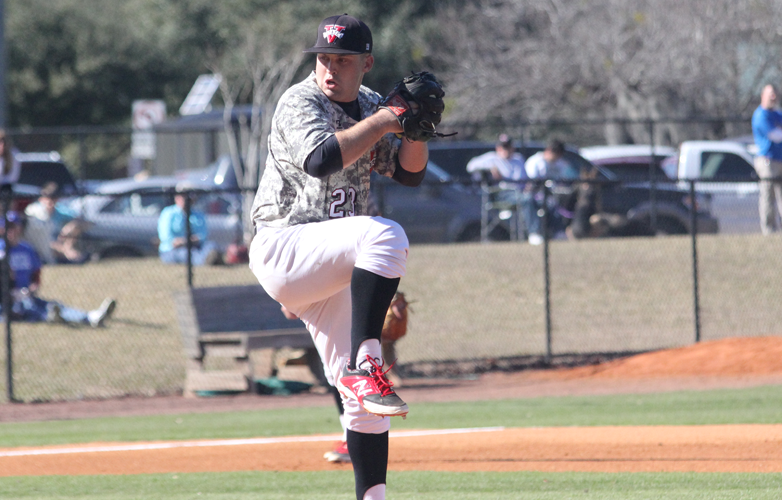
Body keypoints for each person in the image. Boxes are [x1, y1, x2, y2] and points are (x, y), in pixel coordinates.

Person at [249, 14, 436, 500]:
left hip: (330, 267)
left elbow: (409, 174)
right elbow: (320, 159)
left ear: (366, 64)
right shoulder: (300, 100)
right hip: (284, 244)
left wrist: (416, 128)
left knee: (365, 408)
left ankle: (373, 494)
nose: (330, 68)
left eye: (343, 60)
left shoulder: (372, 104)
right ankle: (365, 362)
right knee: (387, 236)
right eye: (324, 58)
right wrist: (384, 120)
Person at [0, 211, 115, 327]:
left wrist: (33, 288)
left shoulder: (27, 249)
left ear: (19, 228)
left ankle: (90, 317)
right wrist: (9, 291)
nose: (11, 231)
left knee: (53, 305)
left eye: (13, 227)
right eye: (7, 227)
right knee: (29, 309)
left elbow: (36, 274)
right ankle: (50, 317)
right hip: (5, 299)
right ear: (1, 230)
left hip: (27, 295)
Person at [751, 84, 782, 234]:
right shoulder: (760, 115)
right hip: (767, 162)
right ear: (762, 95)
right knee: (768, 197)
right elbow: (775, 136)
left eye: (775, 94)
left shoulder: (779, 114)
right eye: (770, 94)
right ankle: (769, 231)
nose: (773, 97)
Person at [465, 133, 530, 239]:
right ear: (498, 148)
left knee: (538, 201)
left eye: (508, 147)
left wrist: (528, 187)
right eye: (503, 147)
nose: (505, 150)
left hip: (521, 193)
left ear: (512, 147)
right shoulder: (492, 158)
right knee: (527, 200)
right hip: (503, 194)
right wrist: (490, 167)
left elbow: (526, 179)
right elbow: (470, 166)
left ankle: (554, 233)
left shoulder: (518, 159)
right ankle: (532, 234)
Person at [523, 139, 577, 244]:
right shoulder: (535, 162)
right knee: (541, 202)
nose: (558, 158)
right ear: (549, 151)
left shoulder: (559, 163)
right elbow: (531, 184)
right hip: (534, 195)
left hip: (551, 195)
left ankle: (559, 232)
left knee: (555, 203)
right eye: (556, 154)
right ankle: (535, 233)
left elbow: (570, 176)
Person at [24, 182, 89, 263]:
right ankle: (72, 256)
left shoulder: (60, 210)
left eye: (53, 197)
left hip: (59, 240)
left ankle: (69, 253)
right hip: (40, 243)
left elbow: (84, 222)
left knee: (75, 225)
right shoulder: (33, 210)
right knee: (56, 247)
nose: (50, 201)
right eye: (48, 197)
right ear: (41, 198)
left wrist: (67, 230)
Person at [157, 186, 222, 266]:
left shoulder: (198, 215)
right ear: (176, 198)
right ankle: (205, 261)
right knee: (186, 253)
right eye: (183, 196)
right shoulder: (168, 213)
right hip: (173, 250)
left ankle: (212, 257)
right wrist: (185, 241)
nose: (186, 199)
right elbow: (166, 237)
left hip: (195, 246)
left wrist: (190, 241)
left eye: (189, 196)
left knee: (211, 245)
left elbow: (203, 235)